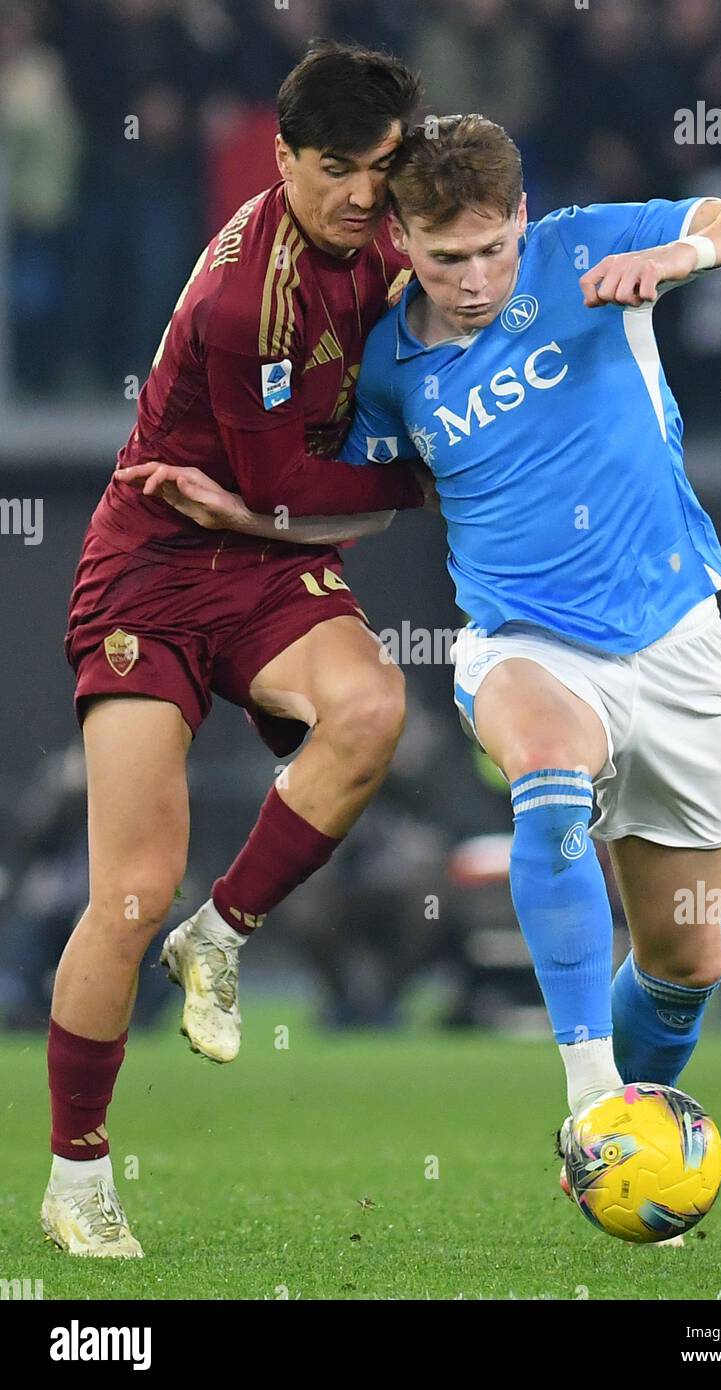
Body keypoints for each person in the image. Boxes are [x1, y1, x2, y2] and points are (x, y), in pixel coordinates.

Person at [133, 114, 721, 1241]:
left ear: (518, 218)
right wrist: (245, 510)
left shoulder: (583, 248)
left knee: (683, 961)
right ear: (399, 240)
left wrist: (681, 254)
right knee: (546, 770)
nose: (471, 278)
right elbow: (356, 494)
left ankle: (616, 1134)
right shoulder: (386, 366)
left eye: (490, 249)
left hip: (675, 633)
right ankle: (589, 1104)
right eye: (443, 257)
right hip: (524, 641)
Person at [44, 40, 429, 1259]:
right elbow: (279, 484)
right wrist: (441, 474)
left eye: (381, 166)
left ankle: (218, 939)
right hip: (155, 566)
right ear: (279, 157)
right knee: (125, 886)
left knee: (370, 707)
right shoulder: (241, 298)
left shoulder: (395, 228)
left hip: (257, 558)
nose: (362, 193)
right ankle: (77, 1174)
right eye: (335, 170)